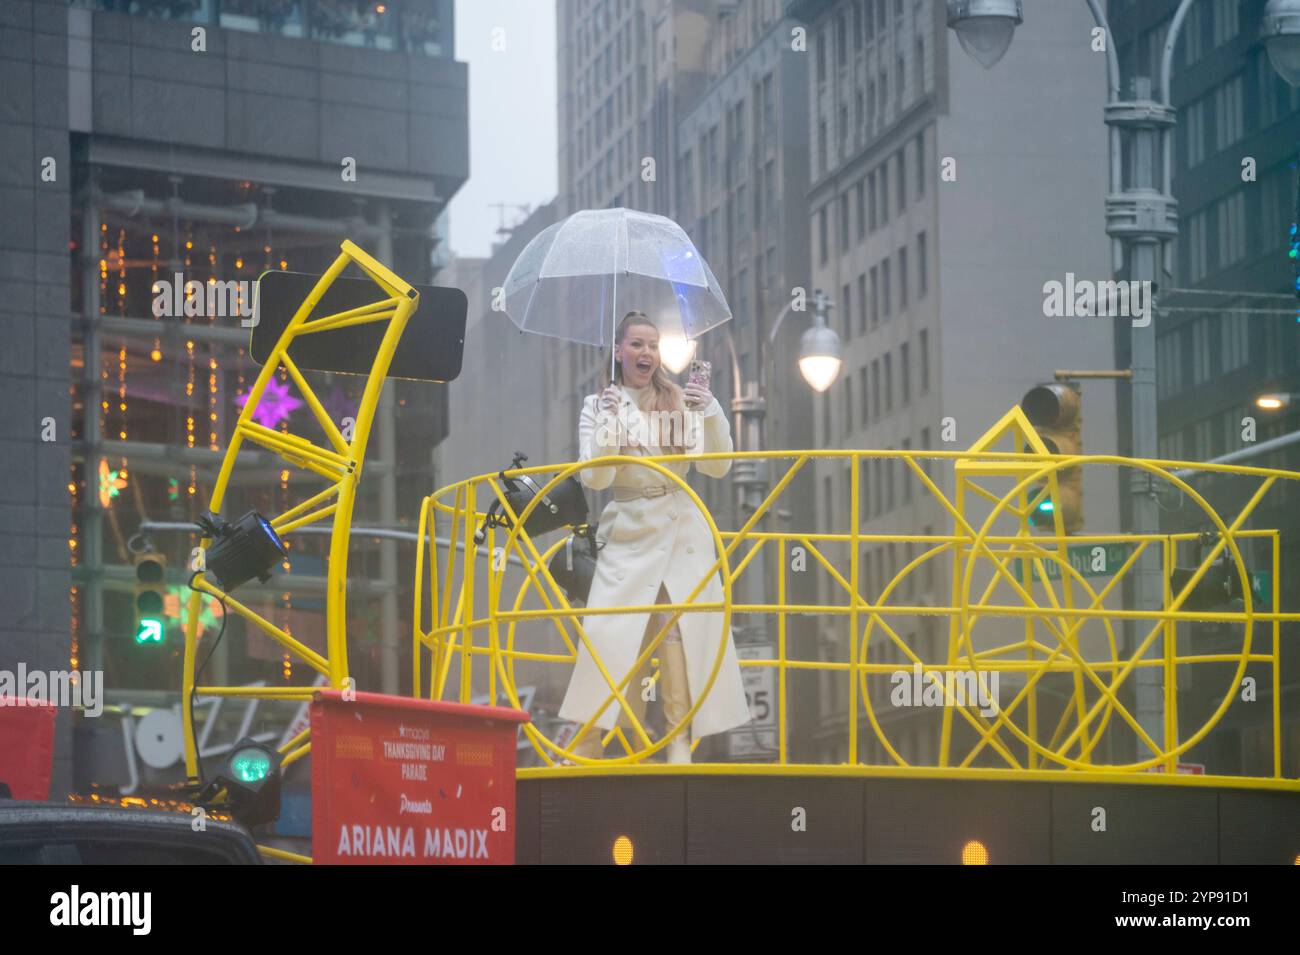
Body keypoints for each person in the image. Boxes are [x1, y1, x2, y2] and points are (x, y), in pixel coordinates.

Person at [558, 311, 750, 763]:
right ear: (619, 351)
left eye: (653, 345)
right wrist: (607, 424)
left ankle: (679, 740)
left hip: (682, 527)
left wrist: (712, 412)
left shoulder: (681, 399)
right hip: (627, 531)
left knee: (677, 631)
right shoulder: (597, 405)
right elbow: (600, 482)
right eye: (637, 345)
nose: (646, 353)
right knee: (608, 637)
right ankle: (589, 743)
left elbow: (718, 466)